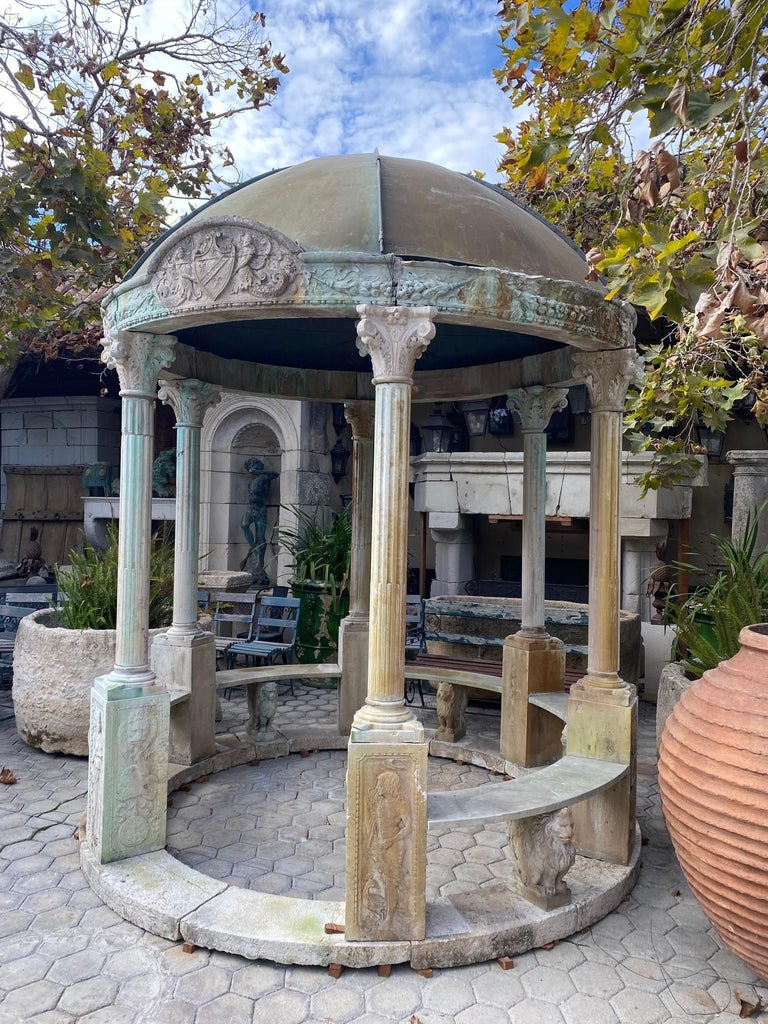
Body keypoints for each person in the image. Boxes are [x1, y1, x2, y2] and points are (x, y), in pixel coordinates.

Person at [240, 457, 278, 583]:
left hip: (260, 509)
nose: (252, 468)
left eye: (253, 465)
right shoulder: (252, 481)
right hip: (251, 508)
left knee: (261, 536)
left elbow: (275, 474)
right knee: (244, 525)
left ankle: (260, 563)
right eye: (250, 466)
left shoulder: (264, 477)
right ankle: (254, 550)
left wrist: (258, 472)